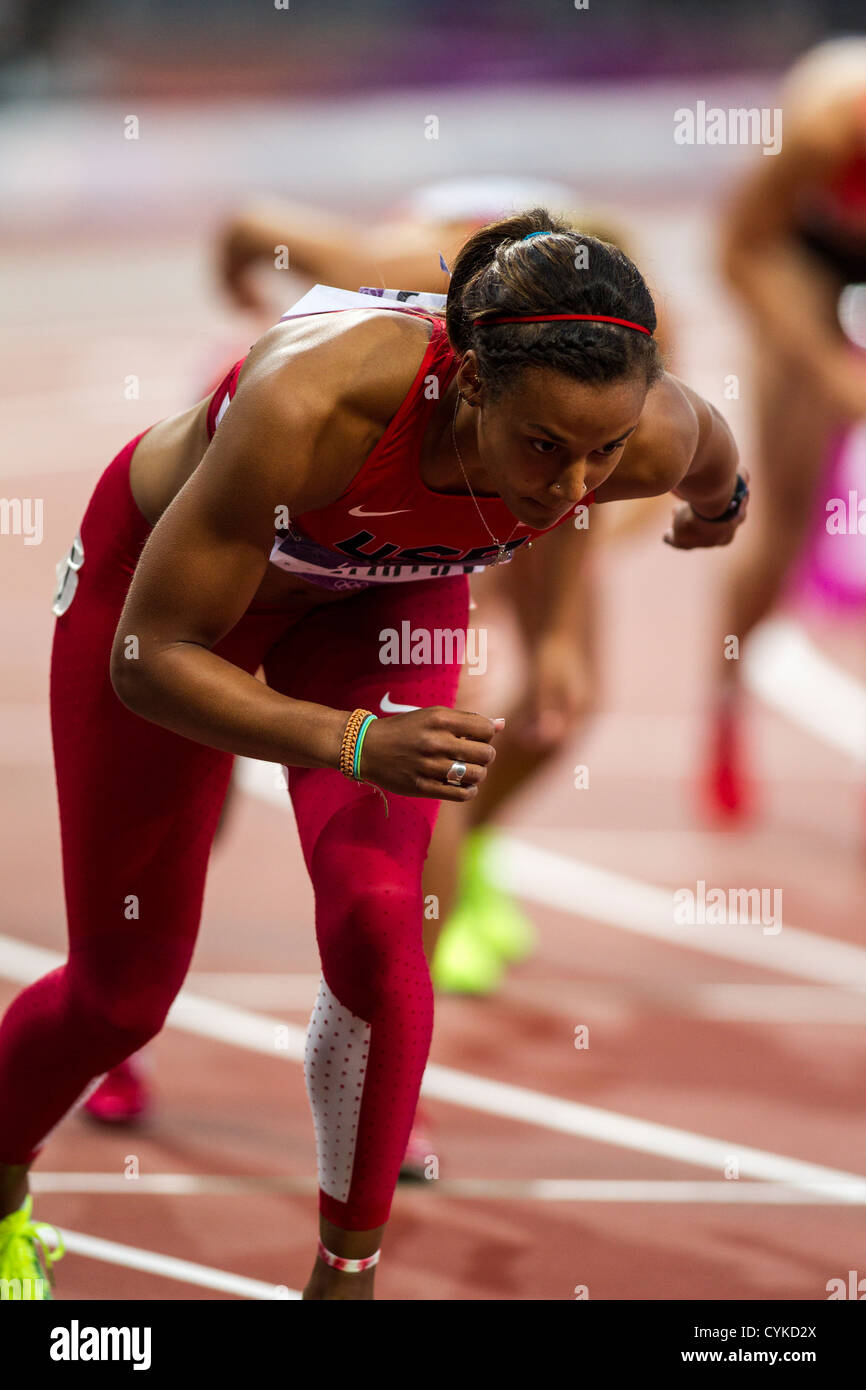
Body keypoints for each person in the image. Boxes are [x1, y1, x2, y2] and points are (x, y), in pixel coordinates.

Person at [0, 209, 747, 1300]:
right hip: (172, 608)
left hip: (382, 608)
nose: (568, 489)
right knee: (123, 996)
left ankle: (344, 1276)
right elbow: (149, 662)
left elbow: (715, 466)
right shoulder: (311, 399)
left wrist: (714, 514)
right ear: (470, 386)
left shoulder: (652, 438)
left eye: (603, 453)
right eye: (542, 447)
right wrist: (351, 741)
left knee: (377, 914)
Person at [84, 179, 671, 1134]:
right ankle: (124, 1022)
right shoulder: (384, 279)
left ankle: (393, 1057)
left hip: (472, 481)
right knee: (194, 787)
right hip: (294, 457)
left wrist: (555, 629)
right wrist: (242, 282)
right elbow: (251, 222)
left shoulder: (627, 360)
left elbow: (576, 488)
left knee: (525, 714)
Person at [708, 37, 866, 818]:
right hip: (796, 260)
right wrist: (827, 369)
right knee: (786, 523)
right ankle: (726, 704)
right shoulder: (826, 130)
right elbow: (737, 252)